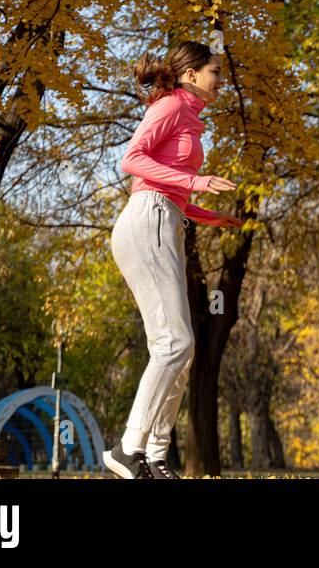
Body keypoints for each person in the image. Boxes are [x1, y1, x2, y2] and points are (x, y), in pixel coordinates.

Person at [103, 40, 243, 479]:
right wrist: (198, 181)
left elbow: (174, 191)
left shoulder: (189, 116)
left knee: (181, 349)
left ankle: (157, 456)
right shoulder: (168, 108)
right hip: (147, 223)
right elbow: (132, 161)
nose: (221, 80)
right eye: (214, 72)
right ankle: (127, 448)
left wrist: (208, 215)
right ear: (191, 75)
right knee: (174, 344)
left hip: (166, 220)